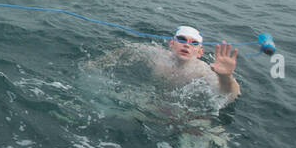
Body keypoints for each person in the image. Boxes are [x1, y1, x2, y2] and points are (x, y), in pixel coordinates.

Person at [85, 26, 241, 102]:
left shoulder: (203, 71)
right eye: (182, 40)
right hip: (152, 103)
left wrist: (226, 77)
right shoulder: (155, 55)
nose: (187, 45)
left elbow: (229, 96)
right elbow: (126, 50)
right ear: (171, 44)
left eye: (193, 43)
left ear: (200, 53)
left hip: (186, 115)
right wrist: (96, 64)